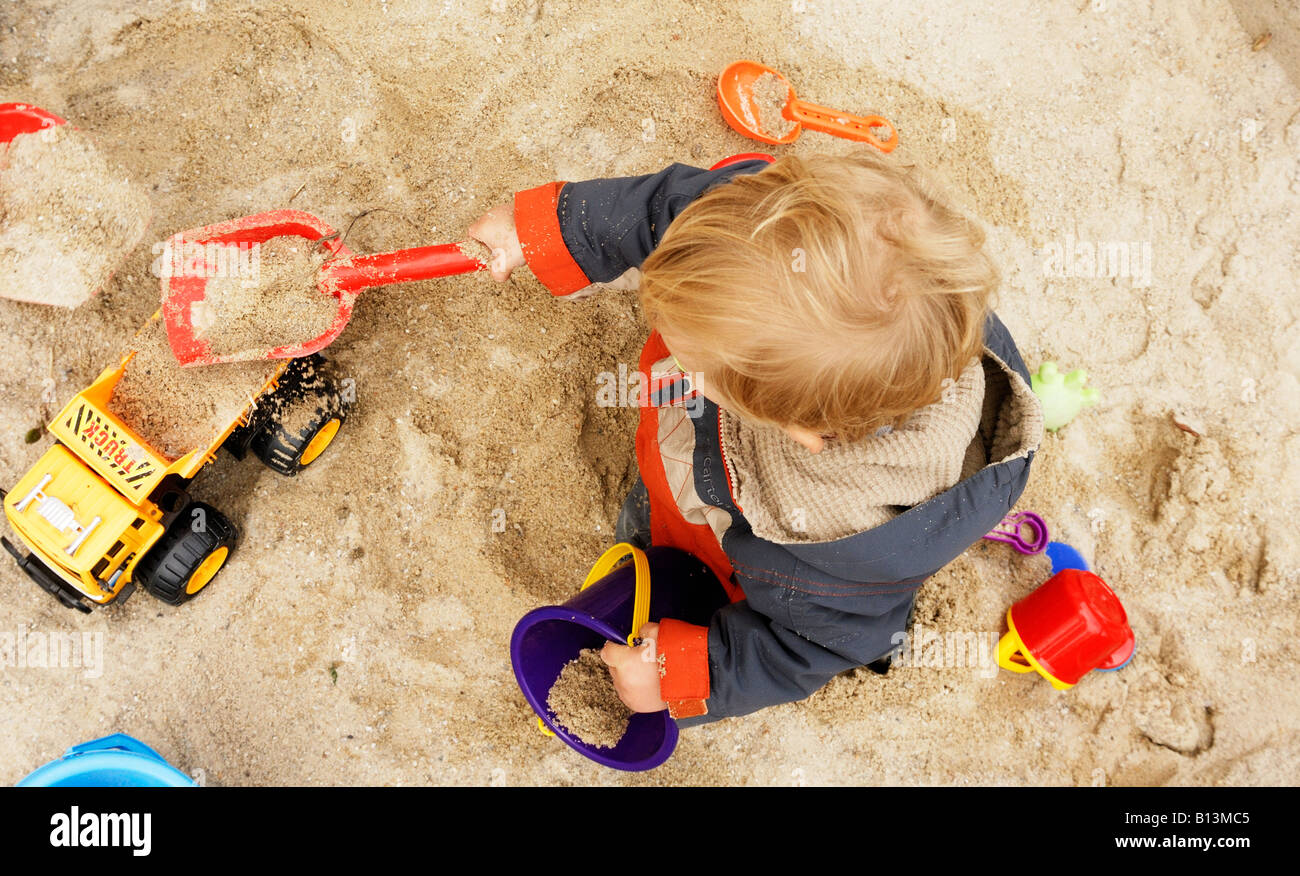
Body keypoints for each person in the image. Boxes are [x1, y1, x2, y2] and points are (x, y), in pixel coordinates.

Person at [468, 151, 1044, 725]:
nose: (671, 347)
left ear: (797, 430)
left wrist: (681, 674)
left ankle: (666, 540)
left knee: (669, 549)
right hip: (703, 448)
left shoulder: (838, 543)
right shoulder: (768, 232)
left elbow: (808, 648)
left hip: (727, 538)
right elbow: (677, 209)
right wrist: (551, 229)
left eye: (694, 362)